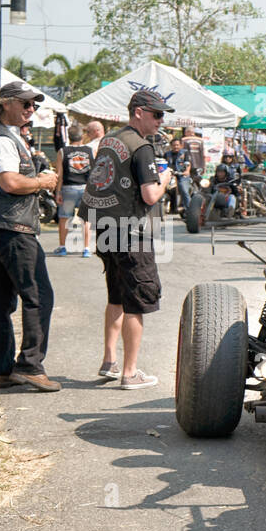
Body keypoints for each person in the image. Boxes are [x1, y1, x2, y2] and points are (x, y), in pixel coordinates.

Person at [78, 88, 175, 390]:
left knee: (116, 296)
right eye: (157, 114)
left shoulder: (110, 140)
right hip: (132, 232)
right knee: (137, 302)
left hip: (106, 227)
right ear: (139, 112)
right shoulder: (141, 147)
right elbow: (149, 195)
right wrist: (166, 179)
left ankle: (109, 361)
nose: (161, 121)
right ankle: (130, 373)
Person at [0, 81, 61, 392]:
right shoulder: (1, 140)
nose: (30, 109)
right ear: (6, 103)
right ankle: (30, 365)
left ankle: (2, 371)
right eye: (25, 103)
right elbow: (10, 182)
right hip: (13, 230)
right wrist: (43, 181)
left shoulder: (6, 137)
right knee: (39, 297)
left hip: (2, 229)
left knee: (3, 302)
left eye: (34, 104)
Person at [54, 120, 102, 258]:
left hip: (68, 188)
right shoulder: (90, 151)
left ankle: (63, 247)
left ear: (69, 137)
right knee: (86, 220)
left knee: (64, 218)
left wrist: (58, 192)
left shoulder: (63, 151)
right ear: (82, 137)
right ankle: (86, 248)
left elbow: (60, 174)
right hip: (86, 188)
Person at [167, 136, 192, 210]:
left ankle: (189, 210)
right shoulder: (167, 154)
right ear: (171, 146)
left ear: (180, 145)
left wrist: (187, 171)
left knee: (184, 190)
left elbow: (188, 163)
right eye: (174, 145)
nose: (176, 147)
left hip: (182, 175)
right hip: (170, 175)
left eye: (177, 145)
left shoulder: (184, 153)